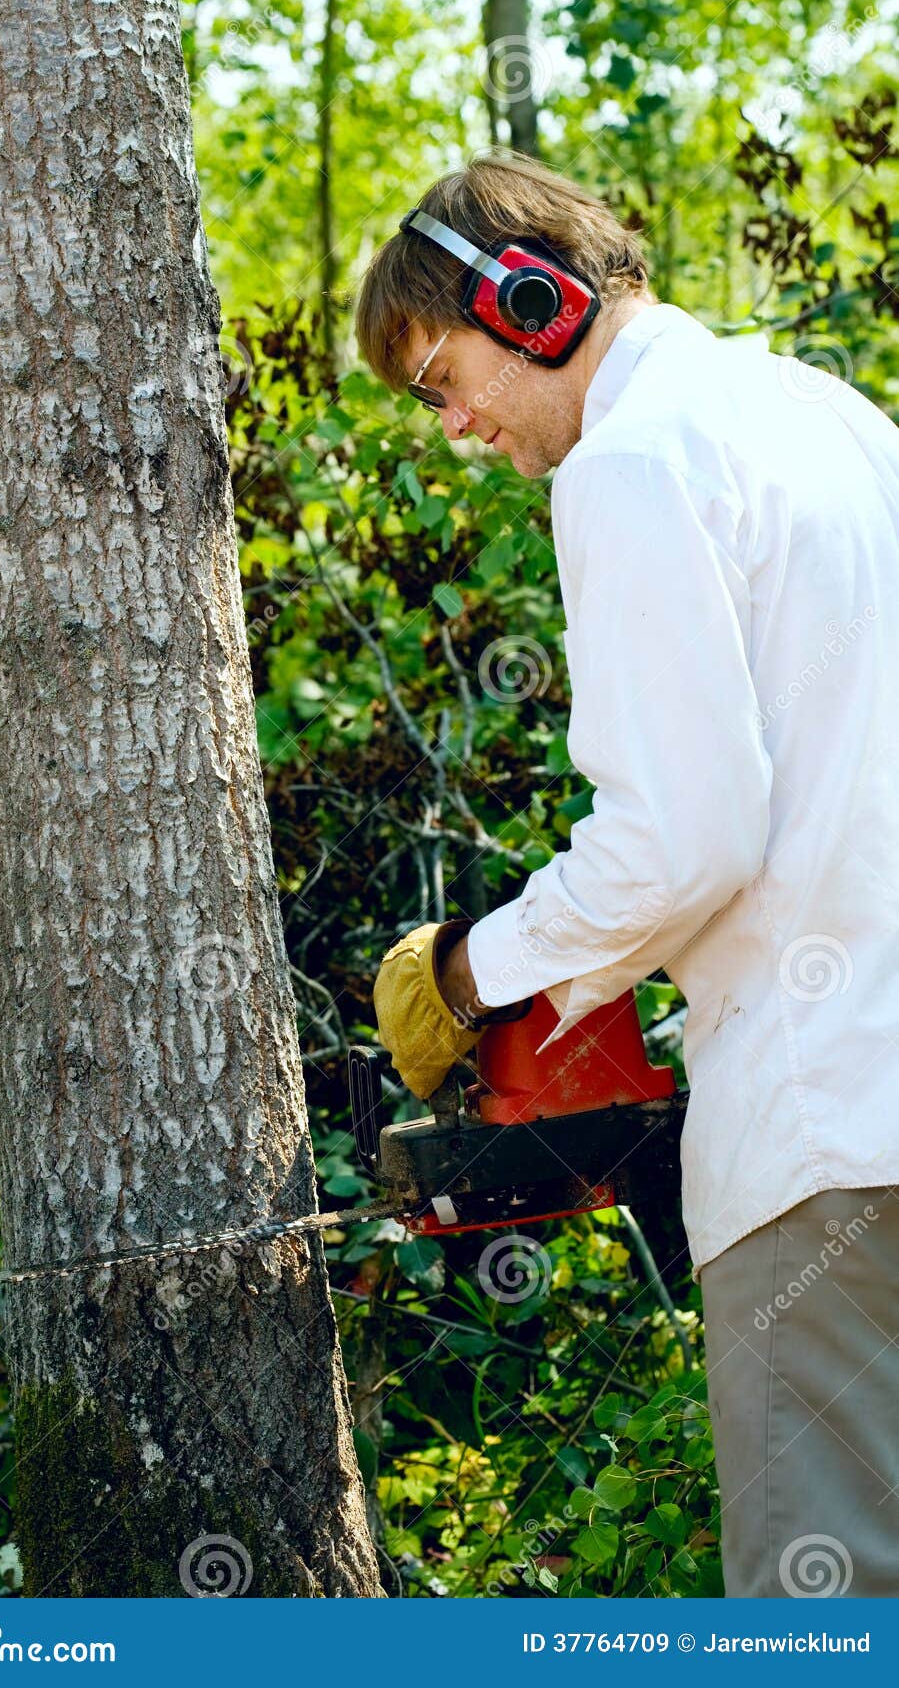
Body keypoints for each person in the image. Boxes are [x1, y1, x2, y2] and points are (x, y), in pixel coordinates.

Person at [355, 148, 899, 1598]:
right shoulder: (835, 421)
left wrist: (470, 970)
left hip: (826, 1138)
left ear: (529, 299)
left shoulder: (632, 461)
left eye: (442, 375)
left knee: (823, 1602)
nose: (455, 424)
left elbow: (686, 839)